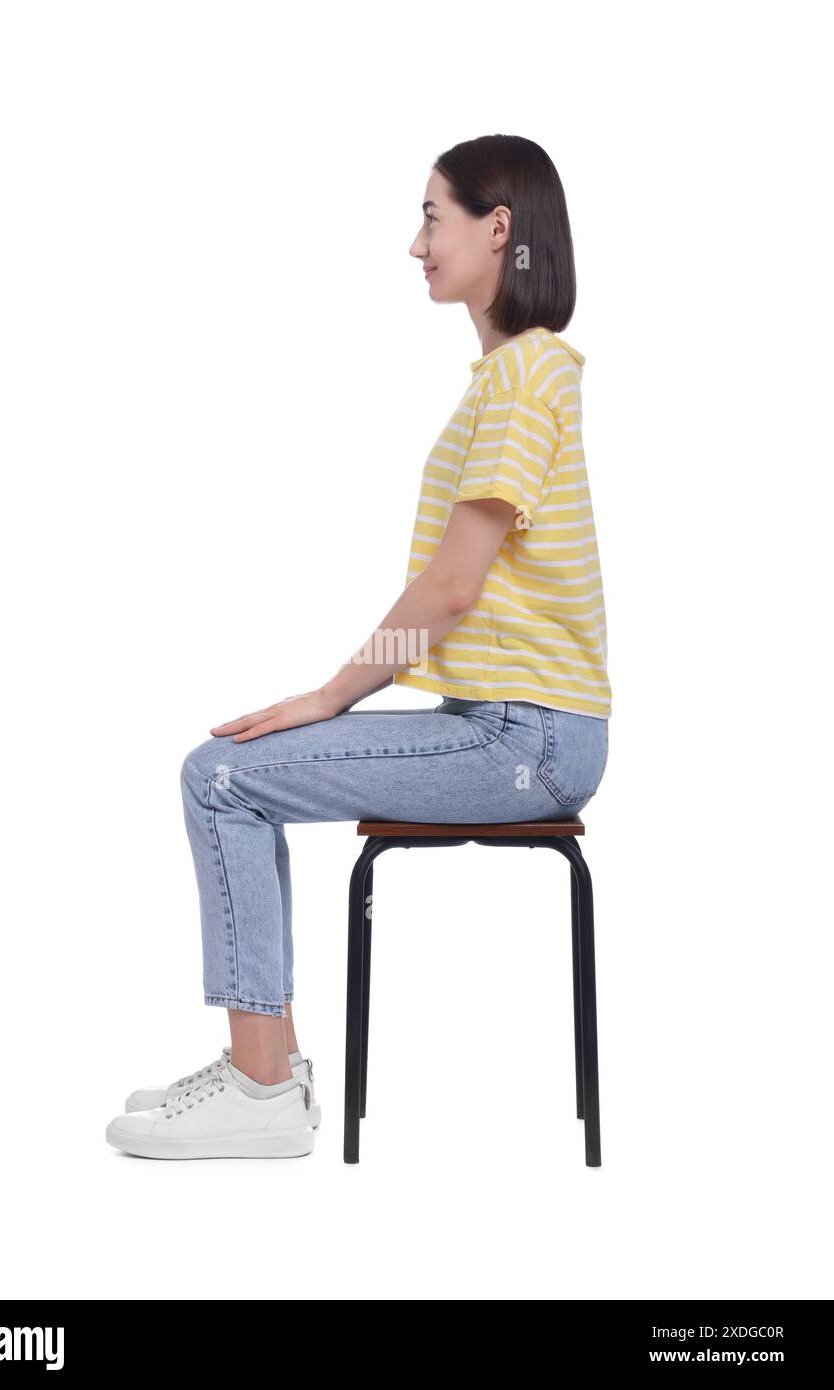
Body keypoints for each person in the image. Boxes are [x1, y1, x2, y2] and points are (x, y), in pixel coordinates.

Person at [105, 133, 612, 1160]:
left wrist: (326, 696)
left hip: (527, 740)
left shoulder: (522, 379)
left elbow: (454, 586)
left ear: (497, 228)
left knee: (219, 778)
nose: (415, 243)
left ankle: (259, 1084)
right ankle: (269, 1072)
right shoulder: (513, 376)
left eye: (432, 216)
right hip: (518, 728)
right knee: (227, 771)